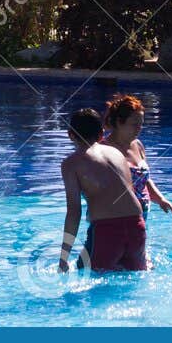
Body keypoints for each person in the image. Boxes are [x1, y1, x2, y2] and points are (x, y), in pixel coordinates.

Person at [58, 108, 146, 272]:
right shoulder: (116, 153)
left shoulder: (71, 163)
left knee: (93, 281)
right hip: (137, 225)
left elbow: (74, 212)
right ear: (101, 134)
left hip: (107, 230)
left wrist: (63, 258)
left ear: (70, 135)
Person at [104, 94, 172, 226]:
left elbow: (144, 180)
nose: (139, 128)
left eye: (141, 124)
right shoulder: (103, 149)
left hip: (141, 216)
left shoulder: (138, 145)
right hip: (116, 218)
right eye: (134, 124)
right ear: (119, 122)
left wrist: (161, 199)